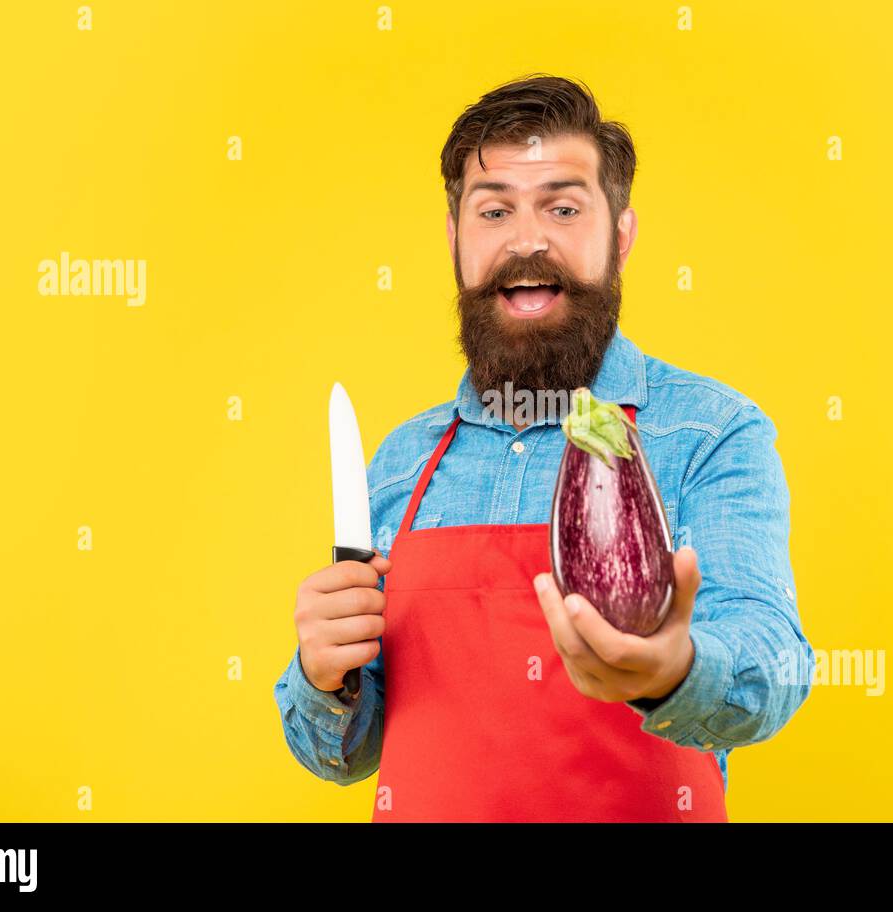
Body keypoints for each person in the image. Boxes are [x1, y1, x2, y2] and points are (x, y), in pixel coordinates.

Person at [274, 74, 814, 822]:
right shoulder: (401, 462)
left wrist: (674, 671)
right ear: (455, 239)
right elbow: (343, 755)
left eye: (563, 207)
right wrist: (324, 678)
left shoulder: (707, 434)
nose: (527, 241)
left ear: (620, 236)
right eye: (494, 210)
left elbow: (776, 665)